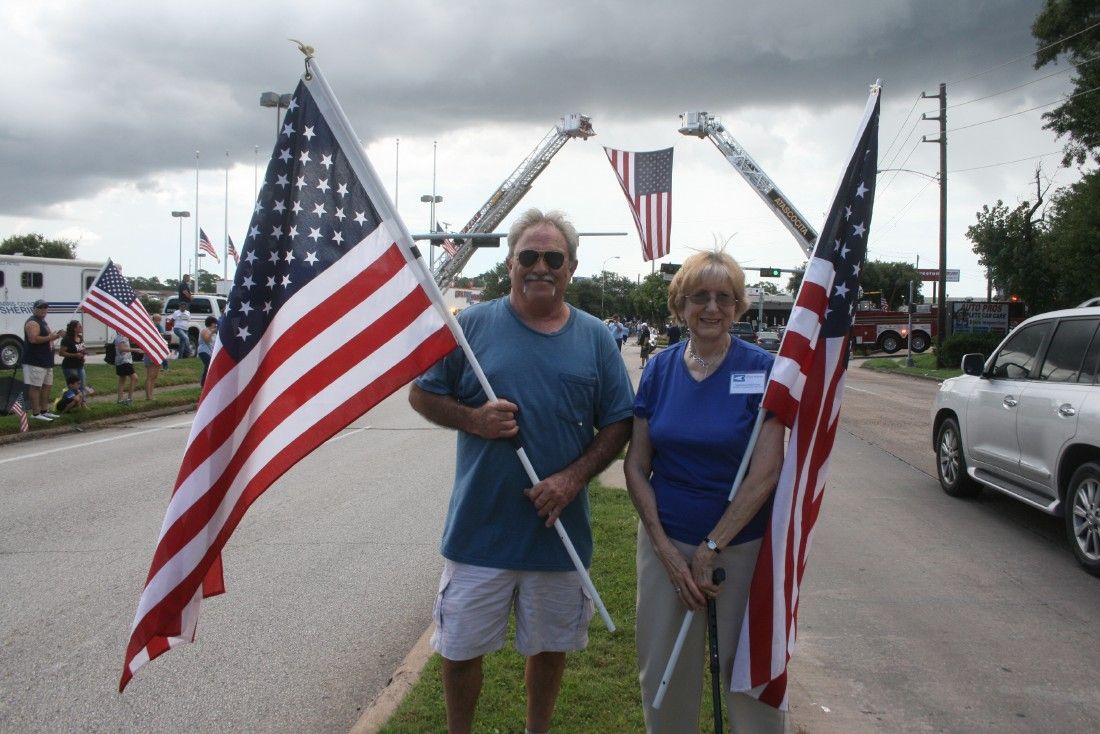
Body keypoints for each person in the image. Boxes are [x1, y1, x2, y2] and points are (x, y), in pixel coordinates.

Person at [409, 208, 634, 734]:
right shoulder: (470, 327)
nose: (540, 267)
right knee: (460, 651)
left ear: (571, 268)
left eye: (553, 258)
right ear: (509, 262)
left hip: (557, 534)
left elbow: (619, 422)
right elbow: (422, 394)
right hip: (479, 532)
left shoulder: (595, 338)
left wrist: (572, 479)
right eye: (528, 255)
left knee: (549, 649)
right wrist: (474, 420)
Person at [623, 250, 788, 733]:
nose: (712, 307)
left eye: (724, 297)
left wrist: (712, 545)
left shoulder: (765, 371)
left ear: (738, 307)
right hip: (666, 546)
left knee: (749, 677)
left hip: (742, 549)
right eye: (700, 297)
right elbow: (636, 464)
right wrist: (665, 550)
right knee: (664, 670)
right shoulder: (659, 370)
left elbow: (766, 472)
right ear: (680, 306)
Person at [22, 299, 63, 421]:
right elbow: (33, 339)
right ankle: (35, 413)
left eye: (45, 308)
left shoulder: (43, 322)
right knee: (36, 387)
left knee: (47, 386)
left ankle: (44, 411)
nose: (43, 310)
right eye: (40, 308)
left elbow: (46, 338)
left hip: (46, 360)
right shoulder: (32, 322)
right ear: (34, 309)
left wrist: (56, 335)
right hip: (35, 360)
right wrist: (51, 337)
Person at [58, 320, 92, 397]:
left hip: (80, 365)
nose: (81, 327)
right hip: (70, 367)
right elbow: (61, 353)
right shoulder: (67, 339)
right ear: (74, 328)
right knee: (73, 387)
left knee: (82, 385)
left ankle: (82, 402)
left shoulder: (80, 337)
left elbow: (81, 349)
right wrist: (75, 355)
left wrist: (84, 353)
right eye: (79, 326)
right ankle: (71, 401)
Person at [114, 331, 136, 406]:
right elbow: (121, 349)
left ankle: (120, 400)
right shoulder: (121, 337)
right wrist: (135, 350)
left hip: (121, 361)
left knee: (122, 380)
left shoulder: (122, 336)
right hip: (124, 361)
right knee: (134, 378)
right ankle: (129, 399)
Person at [197, 316, 218, 387]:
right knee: (210, 366)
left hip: (210, 352)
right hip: (203, 351)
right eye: (215, 323)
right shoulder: (205, 330)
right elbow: (207, 340)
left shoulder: (213, 332)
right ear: (211, 323)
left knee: (207, 368)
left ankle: (203, 384)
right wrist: (212, 331)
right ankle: (210, 383)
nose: (216, 325)